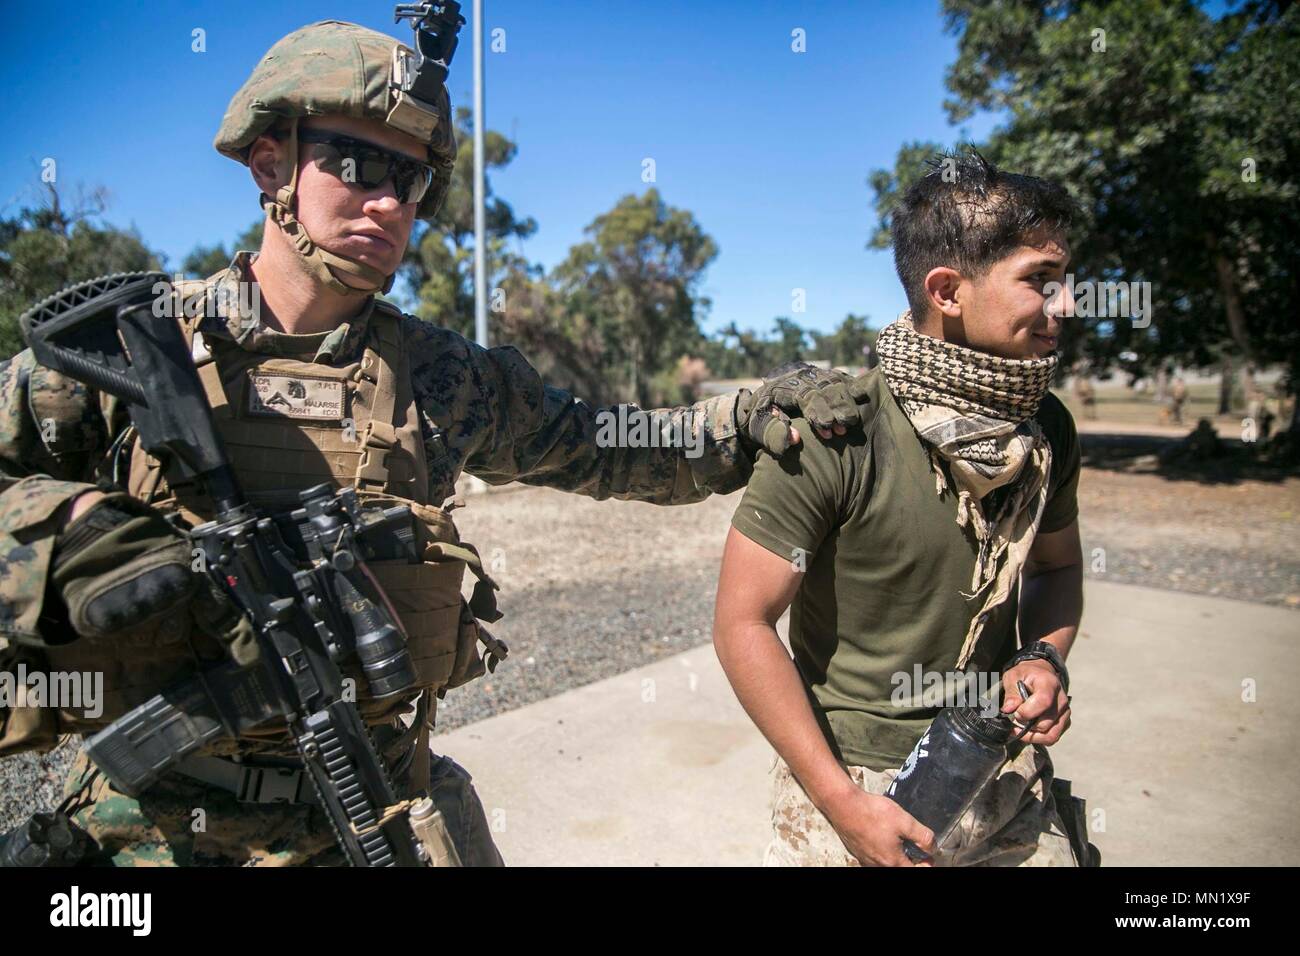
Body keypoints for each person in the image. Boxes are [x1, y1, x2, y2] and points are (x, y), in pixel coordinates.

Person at [0, 20, 870, 867]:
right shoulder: (132, 354)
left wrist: (755, 411)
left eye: (411, 181)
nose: (389, 202)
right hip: (148, 829)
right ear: (271, 163)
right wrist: (69, 532)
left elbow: (611, 445)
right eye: (357, 163)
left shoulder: (441, 377)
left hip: (371, 812)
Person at [712, 151, 1089, 867]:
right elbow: (742, 622)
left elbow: (1057, 566)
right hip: (854, 791)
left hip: (996, 773)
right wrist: (845, 807)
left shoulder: (1045, 429)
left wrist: (1043, 657)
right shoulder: (834, 431)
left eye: (1062, 281)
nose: (1065, 305)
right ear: (947, 291)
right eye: (1040, 282)